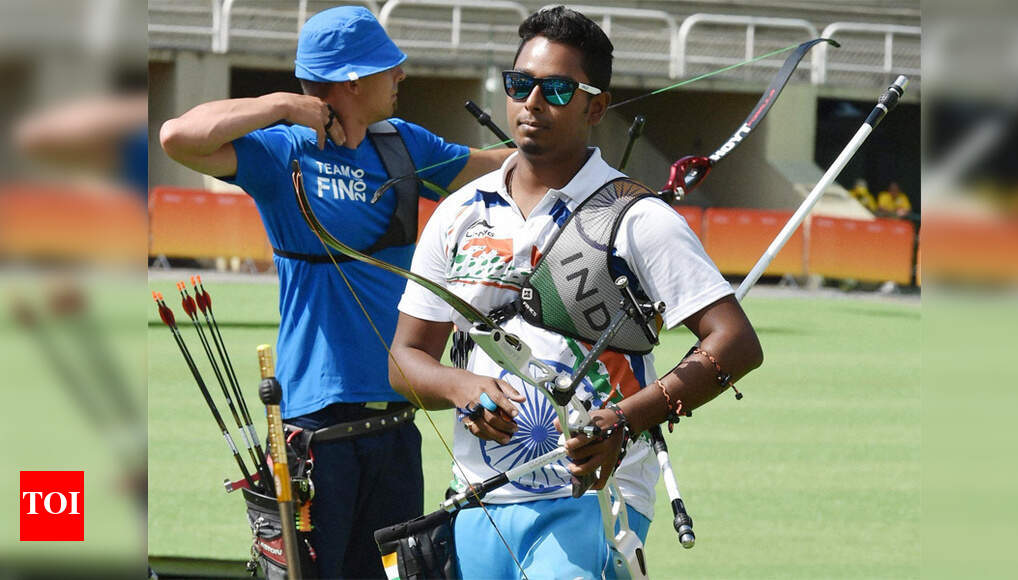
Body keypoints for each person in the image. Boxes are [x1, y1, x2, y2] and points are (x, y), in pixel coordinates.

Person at [390, 6, 763, 578]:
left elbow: (734, 342)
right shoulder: (458, 213)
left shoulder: (638, 218)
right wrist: (463, 387)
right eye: (520, 85)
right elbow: (406, 359)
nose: (532, 102)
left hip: (595, 499)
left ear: (596, 105)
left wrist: (625, 420)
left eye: (557, 89)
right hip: (477, 497)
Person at [159, 6, 509, 578]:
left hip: (397, 422)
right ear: (352, 78)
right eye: (387, 67)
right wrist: (280, 106)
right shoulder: (283, 150)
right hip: (316, 429)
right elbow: (178, 136)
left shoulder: (403, 145)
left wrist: (568, 158)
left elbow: (491, 168)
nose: (400, 76)